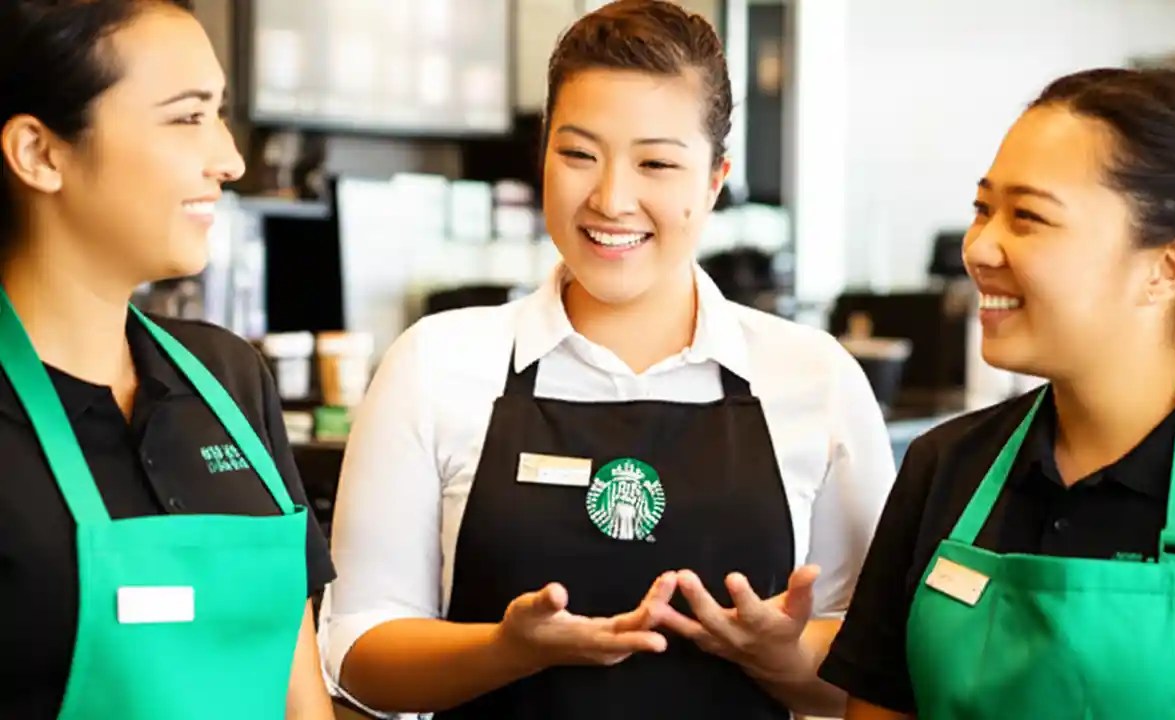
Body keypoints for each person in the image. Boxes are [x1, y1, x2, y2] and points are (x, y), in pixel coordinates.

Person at [316, 1, 897, 718]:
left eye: (656, 163)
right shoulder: (433, 365)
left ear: (714, 179)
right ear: (543, 157)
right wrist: (506, 650)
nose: (611, 199)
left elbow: (879, 678)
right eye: (579, 155)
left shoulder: (816, 378)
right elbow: (356, 651)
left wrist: (784, 657)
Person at [819, 67, 1175, 720]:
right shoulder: (944, 466)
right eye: (983, 210)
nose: (980, 248)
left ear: (1166, 267)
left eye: (1028, 217)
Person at [0, 1, 336, 717]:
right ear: (39, 153)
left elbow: (299, 694)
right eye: (187, 117)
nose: (230, 159)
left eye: (220, 113)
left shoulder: (228, 377)